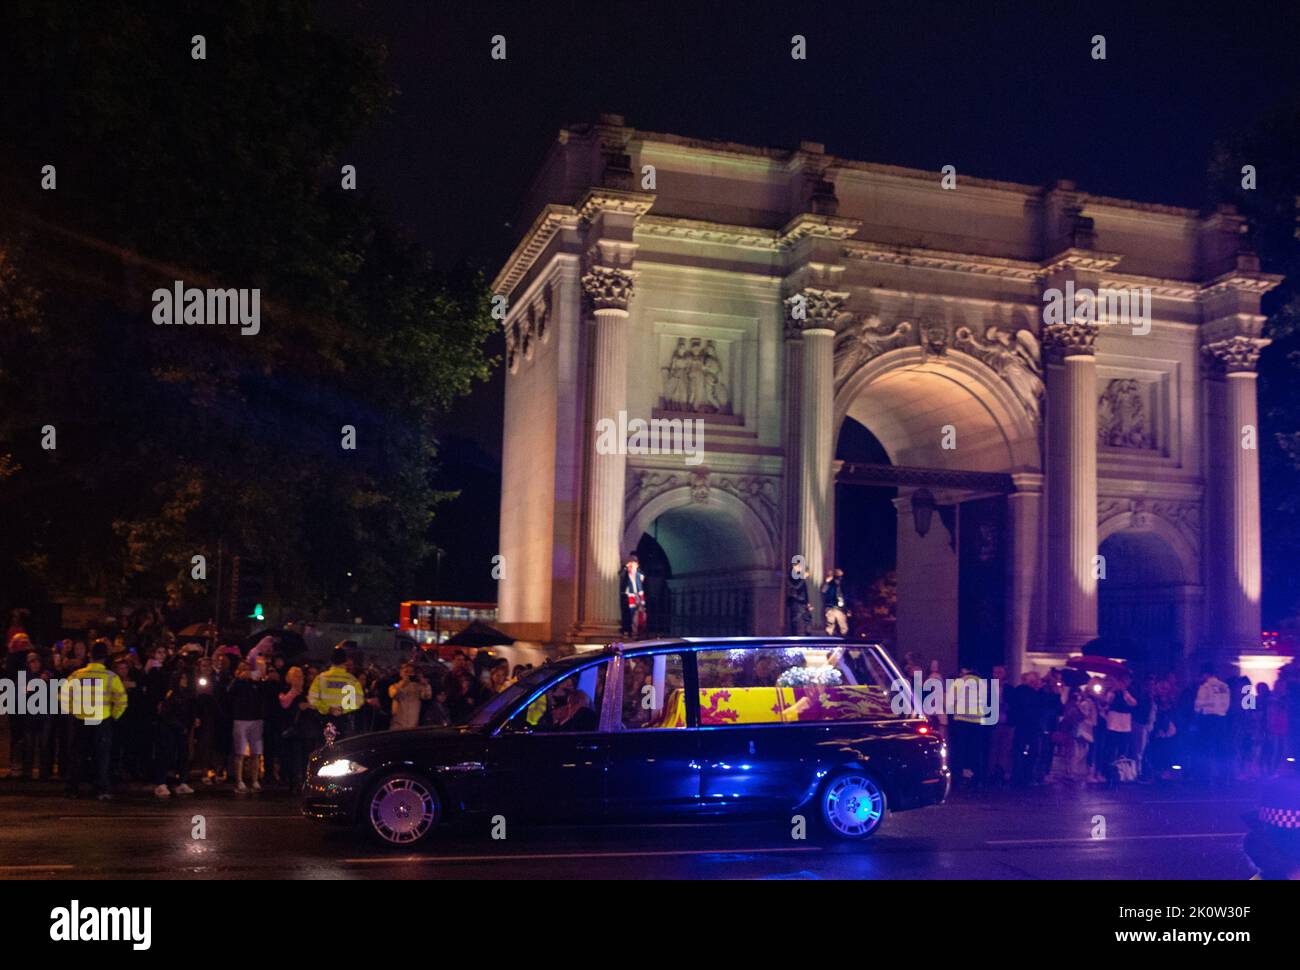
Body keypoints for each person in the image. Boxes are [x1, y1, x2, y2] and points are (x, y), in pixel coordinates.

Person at [60, 641, 129, 800]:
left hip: (80, 720)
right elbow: (121, 701)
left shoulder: (77, 675)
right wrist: (114, 715)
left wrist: (73, 711)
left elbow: (63, 696)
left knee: (77, 754)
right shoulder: (111, 677)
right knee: (102, 756)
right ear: (105, 658)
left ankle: (72, 788)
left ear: (90, 655)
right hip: (102, 719)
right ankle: (102, 789)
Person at [152, 670, 197, 797]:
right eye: (182, 678)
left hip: (182, 729)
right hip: (169, 729)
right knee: (167, 754)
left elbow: (190, 710)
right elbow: (166, 714)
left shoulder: (187, 694)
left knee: (183, 755)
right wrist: (179, 726)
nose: (185, 680)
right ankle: (161, 783)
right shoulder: (171, 694)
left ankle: (182, 781)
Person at [226, 660, 269, 792]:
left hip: (256, 719)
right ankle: (239, 780)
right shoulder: (237, 682)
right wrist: (239, 678)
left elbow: (265, 693)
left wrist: (261, 678)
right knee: (240, 752)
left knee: (256, 752)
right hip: (241, 719)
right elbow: (229, 692)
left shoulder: (257, 683)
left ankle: (255, 780)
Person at [306, 646, 364, 742]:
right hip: (343, 721)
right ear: (345, 661)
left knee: (324, 750)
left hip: (323, 720)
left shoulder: (321, 678)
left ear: (331, 660)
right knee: (340, 751)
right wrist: (343, 709)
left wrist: (327, 709)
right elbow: (359, 700)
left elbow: (312, 699)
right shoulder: (351, 680)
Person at [1193, 663, 1231, 784]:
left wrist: (1196, 715)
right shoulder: (1224, 686)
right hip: (1222, 719)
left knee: (1206, 748)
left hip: (1208, 720)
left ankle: (1206, 776)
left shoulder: (1205, 687)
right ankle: (1223, 776)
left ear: (1205, 674)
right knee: (1221, 748)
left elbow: (1198, 705)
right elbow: (1227, 704)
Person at [388, 662, 432, 731]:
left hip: (413, 724)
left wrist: (426, 685)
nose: (408, 674)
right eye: (406, 672)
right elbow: (393, 694)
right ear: (401, 673)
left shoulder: (418, 686)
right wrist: (403, 684)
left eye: (411, 672)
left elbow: (427, 696)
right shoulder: (394, 686)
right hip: (398, 725)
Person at [619, 553, 647, 639]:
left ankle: (637, 632)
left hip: (638, 595)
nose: (633, 565)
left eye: (635, 563)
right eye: (631, 563)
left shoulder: (639, 574)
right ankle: (628, 632)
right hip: (629, 596)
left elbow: (643, 577)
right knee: (629, 614)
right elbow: (621, 575)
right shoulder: (625, 573)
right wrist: (625, 567)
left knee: (639, 614)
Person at [785, 561, 813, 635]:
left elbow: (805, 591)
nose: (801, 568)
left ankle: (808, 637)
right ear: (794, 566)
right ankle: (795, 637)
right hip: (796, 602)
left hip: (803, 602)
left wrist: (808, 603)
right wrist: (802, 578)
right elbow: (795, 586)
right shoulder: (791, 576)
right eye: (799, 566)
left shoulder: (799, 576)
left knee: (808, 619)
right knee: (796, 621)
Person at [821, 568, 848, 636]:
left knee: (843, 626)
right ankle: (830, 639)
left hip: (839, 608)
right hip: (830, 607)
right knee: (830, 625)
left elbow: (845, 595)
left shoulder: (842, 584)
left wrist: (846, 608)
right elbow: (823, 590)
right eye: (839, 575)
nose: (840, 577)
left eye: (841, 575)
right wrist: (827, 582)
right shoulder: (830, 583)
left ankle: (843, 639)